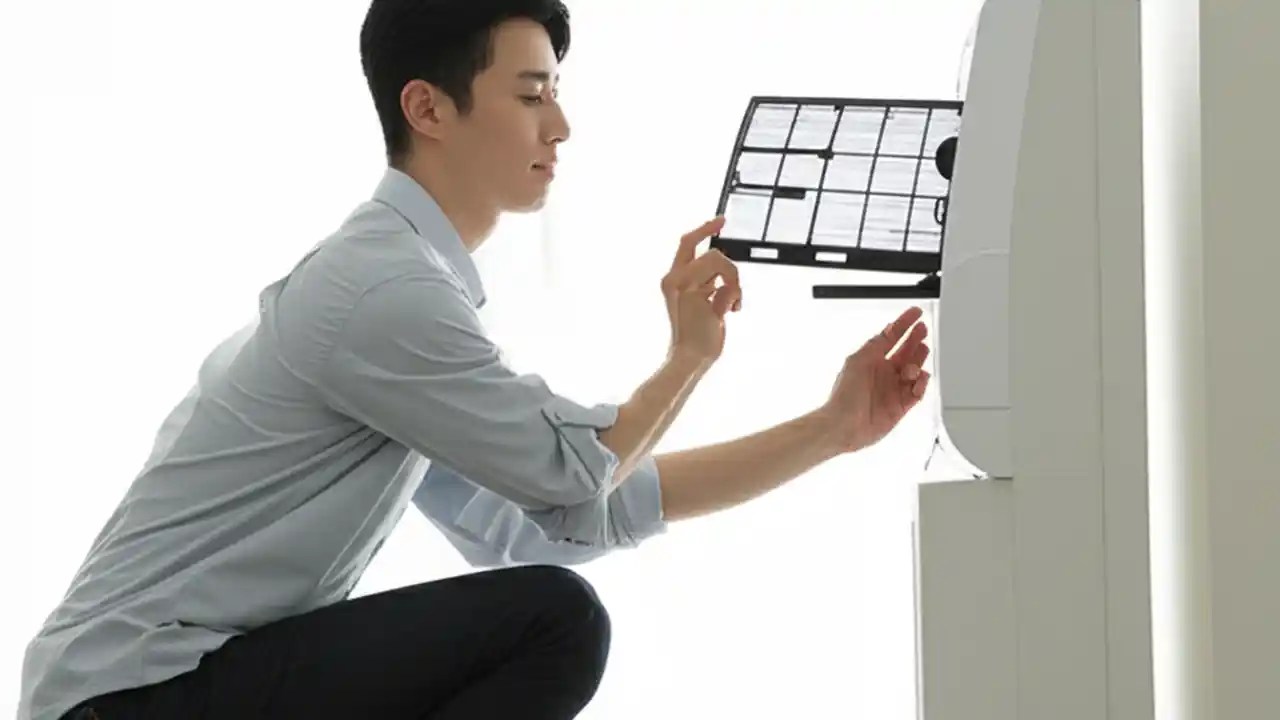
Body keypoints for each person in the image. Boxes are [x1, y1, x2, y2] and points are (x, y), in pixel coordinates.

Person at [19, 2, 932, 719]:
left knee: (550, 601)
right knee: (555, 624)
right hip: (136, 699)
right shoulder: (381, 293)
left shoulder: (402, 295)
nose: (561, 125)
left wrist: (831, 430)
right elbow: (567, 474)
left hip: (157, 693)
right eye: (532, 95)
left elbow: (548, 522)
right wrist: (685, 359)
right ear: (428, 107)